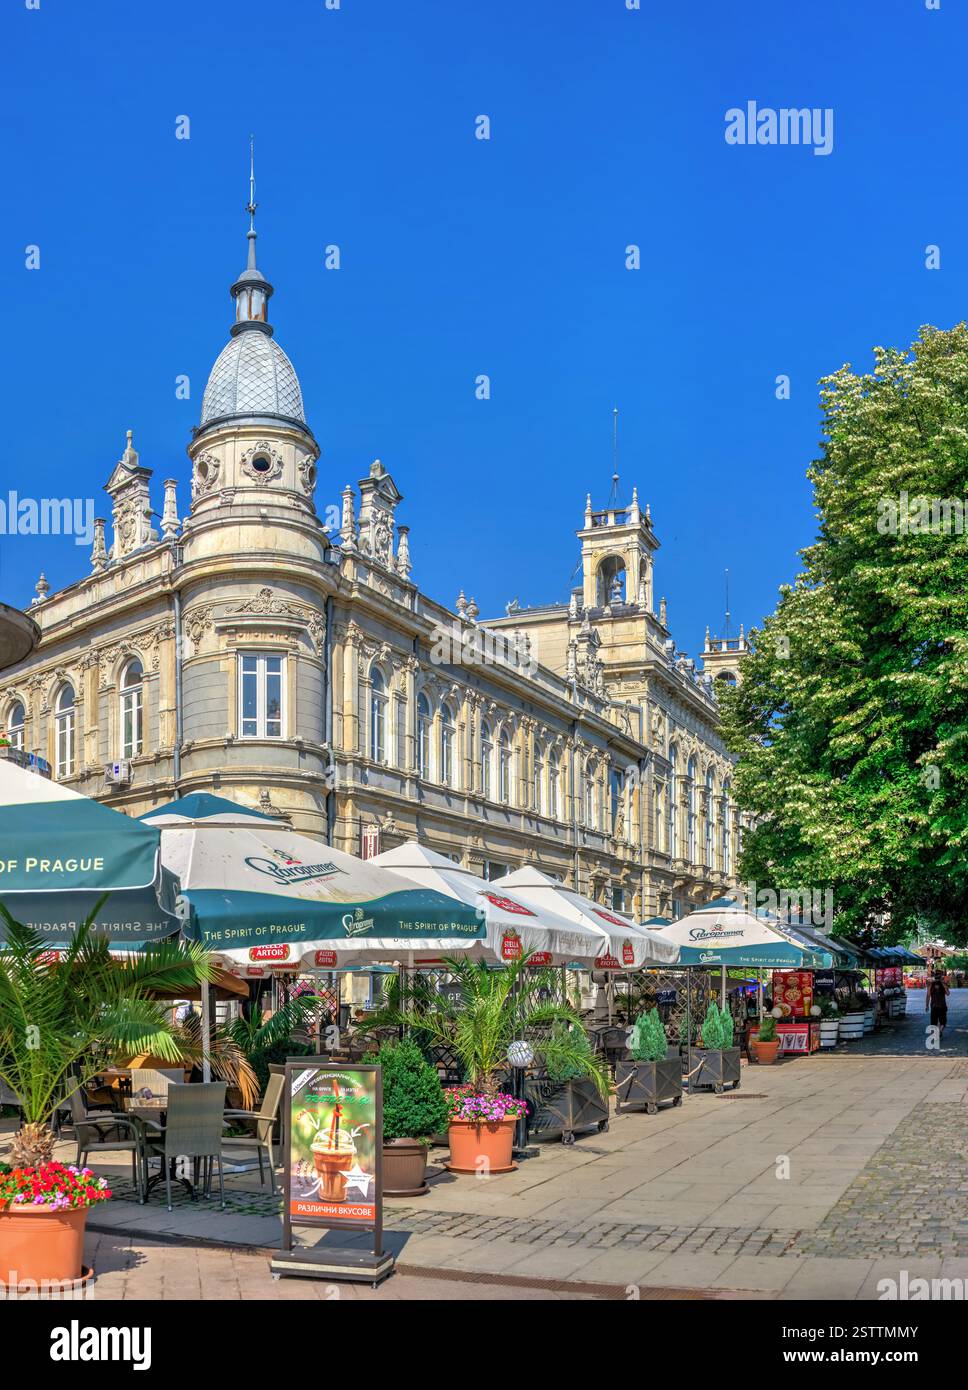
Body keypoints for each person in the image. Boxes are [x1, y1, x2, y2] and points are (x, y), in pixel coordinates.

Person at [926, 970, 950, 1037]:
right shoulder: (942, 984)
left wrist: (927, 1006)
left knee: (934, 1021)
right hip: (941, 1005)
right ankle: (940, 1031)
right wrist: (943, 984)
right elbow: (948, 993)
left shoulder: (930, 985)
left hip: (934, 1006)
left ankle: (937, 1032)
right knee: (943, 1021)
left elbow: (928, 996)